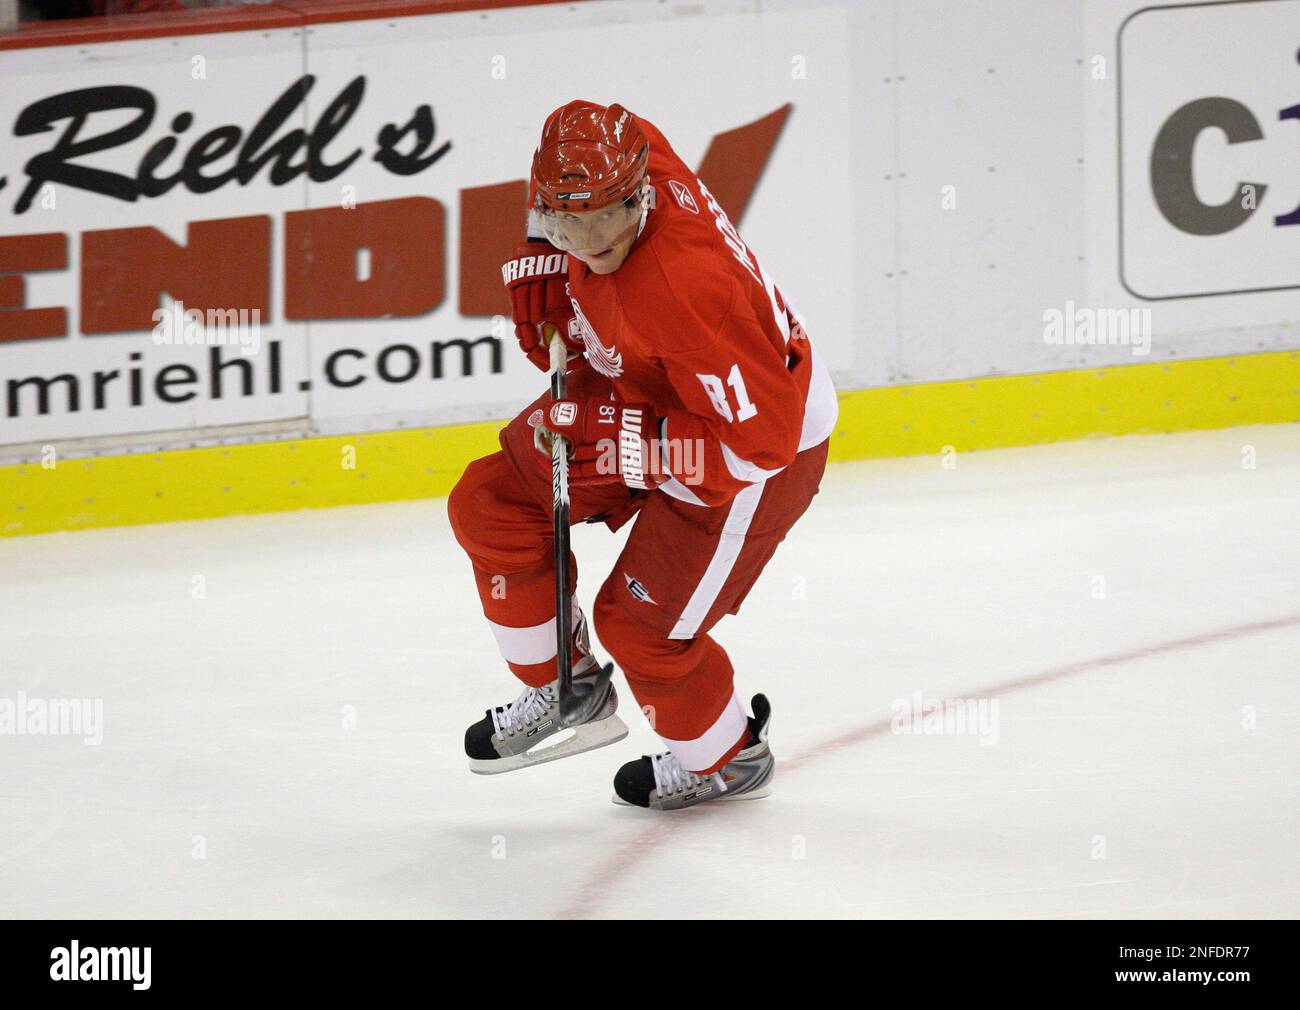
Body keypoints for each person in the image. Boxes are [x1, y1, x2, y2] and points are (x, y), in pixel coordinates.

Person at [448, 100, 837, 811]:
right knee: (492, 504)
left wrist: (623, 439)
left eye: (608, 217)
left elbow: (760, 445)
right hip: (647, 383)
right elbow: (564, 193)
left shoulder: (689, 292)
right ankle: (566, 687)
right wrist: (542, 250)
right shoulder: (624, 147)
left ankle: (727, 755)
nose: (592, 240)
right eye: (570, 219)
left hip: (747, 449)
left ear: (643, 196)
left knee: (640, 627)